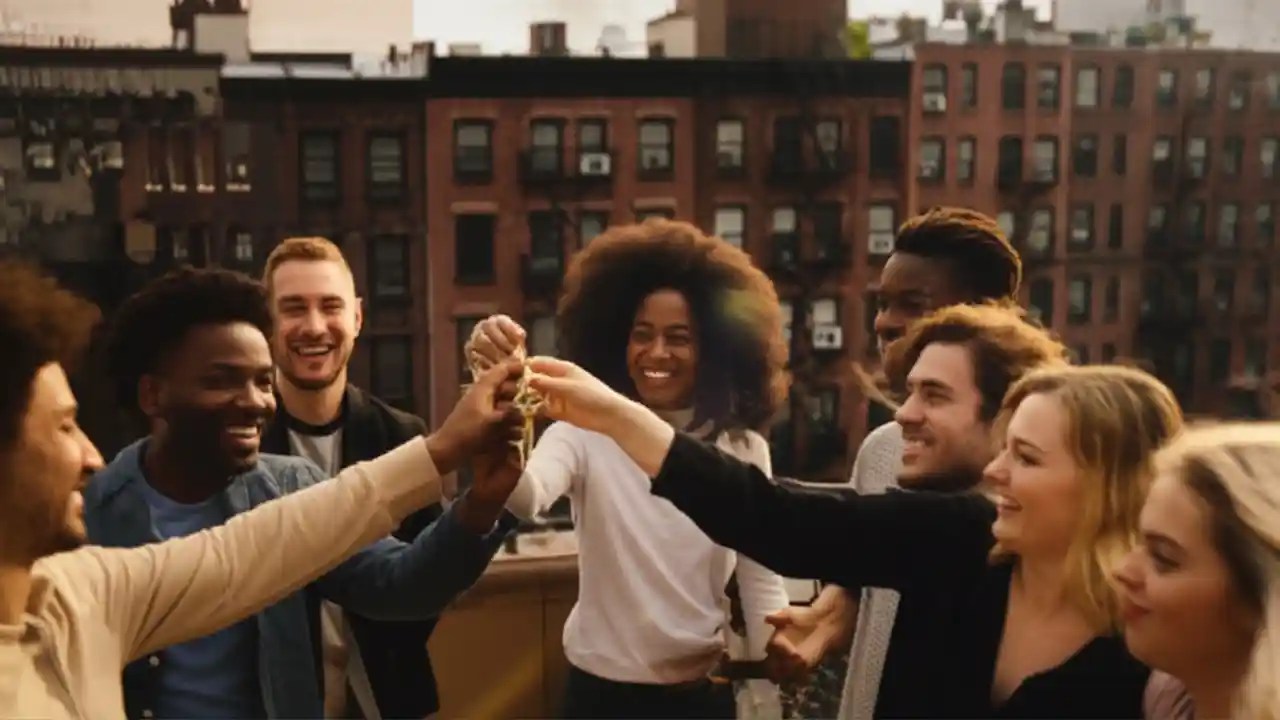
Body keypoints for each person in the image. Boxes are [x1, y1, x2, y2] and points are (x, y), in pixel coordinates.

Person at [523, 318, 1187, 717]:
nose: (996, 473)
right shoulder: (958, 542)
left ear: (1104, 485)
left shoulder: (1158, 645)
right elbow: (779, 517)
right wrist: (613, 414)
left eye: (1029, 459)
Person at [0, 259, 521, 718]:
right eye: (222, 380)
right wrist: (443, 449)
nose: (254, 401)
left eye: (264, 381)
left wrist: (481, 497)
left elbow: (382, 577)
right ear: (154, 395)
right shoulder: (85, 535)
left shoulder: (286, 487)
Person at [465, 218, 791, 719]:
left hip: (700, 698)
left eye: (678, 337)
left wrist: (775, 689)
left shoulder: (742, 447)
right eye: (642, 334)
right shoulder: (585, 430)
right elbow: (526, 498)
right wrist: (497, 399)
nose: (656, 353)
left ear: (715, 348)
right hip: (599, 700)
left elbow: (760, 579)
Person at [764, 206, 1025, 719]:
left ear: (979, 315)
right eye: (882, 304)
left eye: (912, 303)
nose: (885, 322)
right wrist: (834, 610)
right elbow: (883, 569)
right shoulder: (885, 450)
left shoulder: (1027, 468)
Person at [258, 237, 496, 720]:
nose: (314, 326)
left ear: (358, 318)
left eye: (330, 306)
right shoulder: (244, 442)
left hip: (390, 699)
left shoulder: (402, 435)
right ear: (267, 323)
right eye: (293, 309)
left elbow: (429, 580)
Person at [1115, 422, 1280, 719]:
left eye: (1163, 559)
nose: (1123, 570)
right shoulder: (1170, 697)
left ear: (1260, 599)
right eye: (1138, 542)